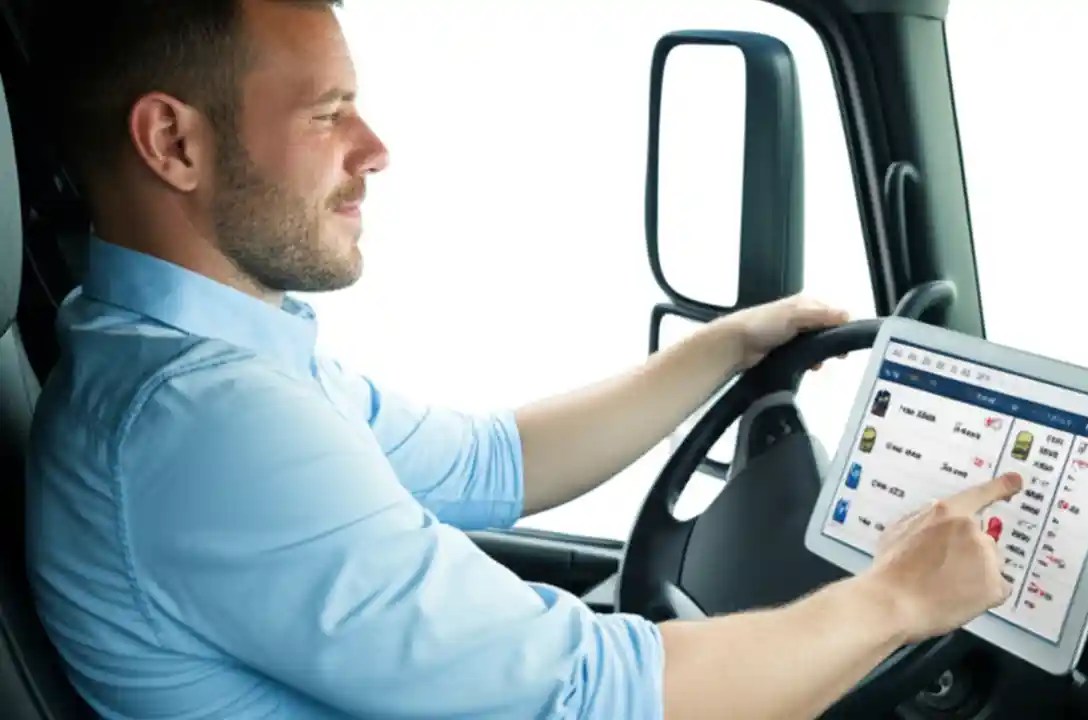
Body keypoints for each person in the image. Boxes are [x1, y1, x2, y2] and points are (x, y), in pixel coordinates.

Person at [21, 1, 1021, 718]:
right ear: (173, 143)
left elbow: (486, 464)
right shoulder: (203, 424)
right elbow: (589, 698)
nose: (374, 148)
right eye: (327, 112)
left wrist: (725, 346)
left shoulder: (194, 355)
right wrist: (895, 599)